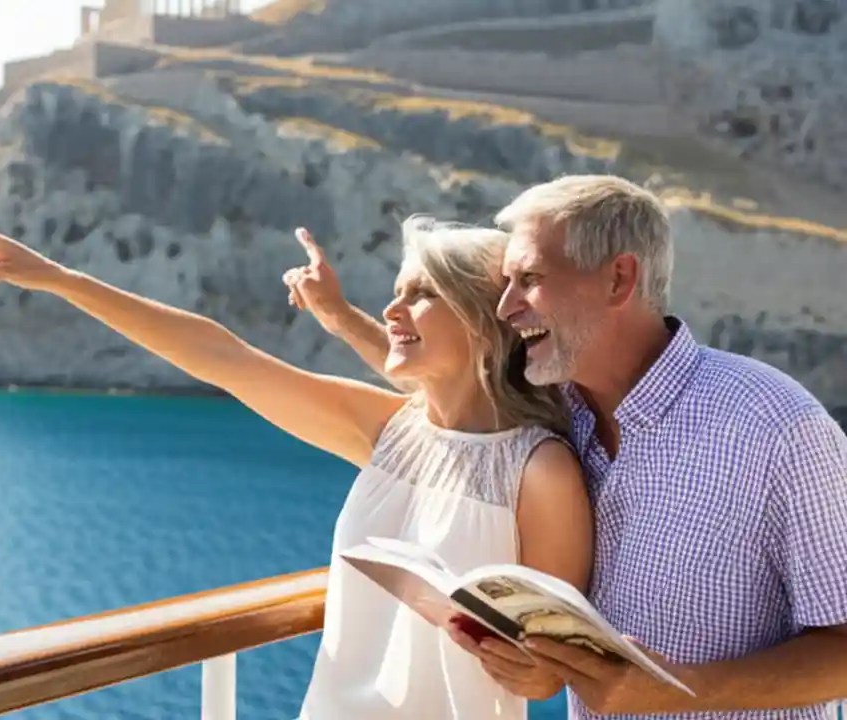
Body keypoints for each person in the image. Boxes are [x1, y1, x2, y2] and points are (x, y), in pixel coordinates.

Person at [0, 211, 594, 720]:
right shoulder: (390, 433)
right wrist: (58, 277)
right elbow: (222, 357)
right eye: (396, 292)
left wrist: (531, 666)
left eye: (423, 294)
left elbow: (548, 673)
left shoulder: (540, 472)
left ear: (487, 322)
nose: (394, 309)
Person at [285, 174, 847, 719]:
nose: (506, 308)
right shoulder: (552, 409)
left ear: (618, 280)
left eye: (528, 279)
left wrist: (680, 692)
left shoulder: (777, 428)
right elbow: (451, 371)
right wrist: (340, 318)